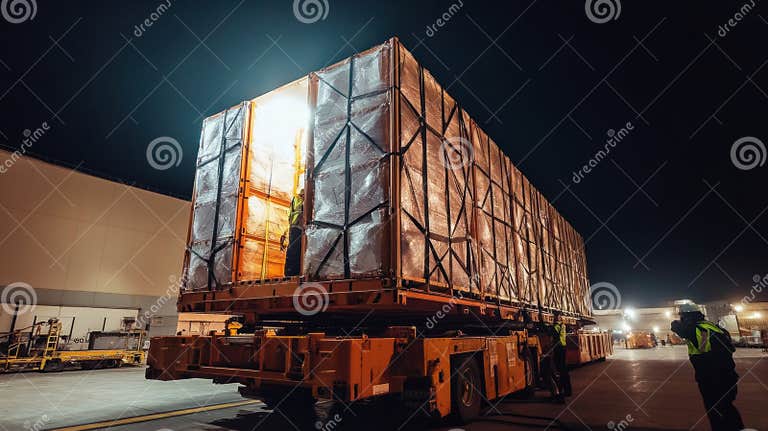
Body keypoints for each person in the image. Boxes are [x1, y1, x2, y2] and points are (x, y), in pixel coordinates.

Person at [671, 303, 744, 431]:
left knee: (716, 411)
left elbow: (679, 328)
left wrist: (678, 323)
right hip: (728, 376)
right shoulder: (712, 327)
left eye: (682, 316)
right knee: (726, 407)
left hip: (712, 379)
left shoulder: (697, 329)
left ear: (687, 317)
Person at [281, 188, 304, 276]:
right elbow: (302, 213)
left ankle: (289, 272)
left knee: (293, 251)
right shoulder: (300, 200)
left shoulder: (295, 199)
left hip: (294, 228)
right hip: (297, 228)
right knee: (295, 251)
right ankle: (292, 273)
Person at [550, 311, 572, 402]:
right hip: (562, 348)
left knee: (560, 369)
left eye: (556, 316)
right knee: (563, 370)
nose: (555, 318)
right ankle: (567, 390)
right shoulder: (563, 325)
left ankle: (562, 390)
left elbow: (551, 333)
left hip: (559, 349)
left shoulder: (557, 326)